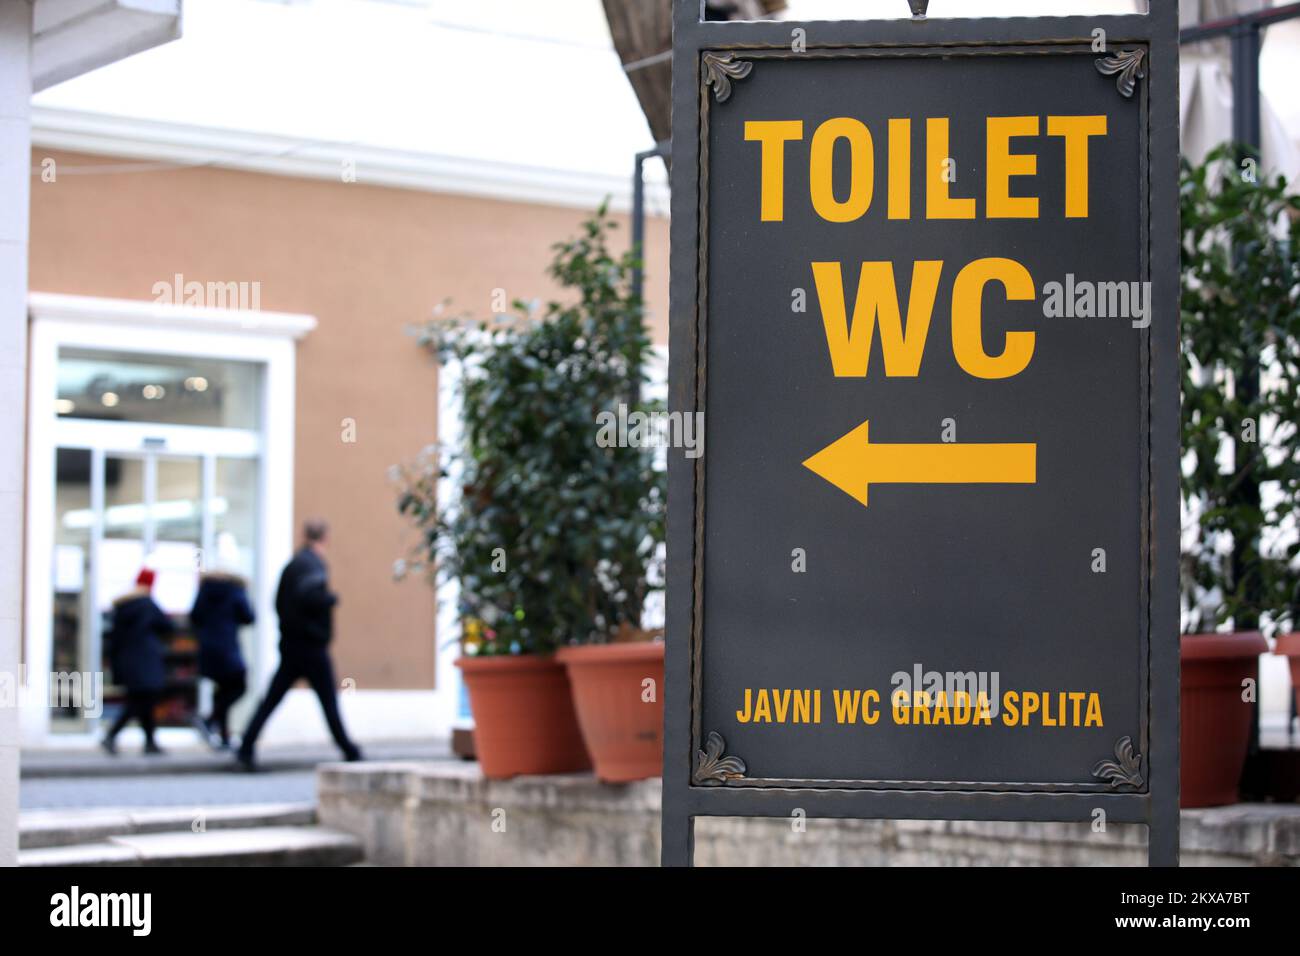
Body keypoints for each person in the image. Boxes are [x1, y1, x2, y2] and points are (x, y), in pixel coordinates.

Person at [236, 519, 362, 770]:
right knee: (327, 701)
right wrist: (328, 600)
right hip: (310, 647)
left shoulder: (293, 565)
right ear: (324, 538)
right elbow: (310, 598)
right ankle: (349, 749)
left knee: (272, 699)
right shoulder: (312, 566)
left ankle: (246, 746)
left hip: (292, 645)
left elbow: (279, 604)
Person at [102, 568, 173, 756]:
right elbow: (166, 626)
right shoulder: (147, 604)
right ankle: (112, 735)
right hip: (145, 659)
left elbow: (114, 638)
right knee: (141, 701)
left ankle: (149, 742)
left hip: (127, 660)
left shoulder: (123, 606)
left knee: (143, 700)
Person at [189, 566, 255, 750]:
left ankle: (223, 736)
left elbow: (195, 617)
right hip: (227, 646)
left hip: (209, 647)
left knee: (225, 689)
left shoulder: (205, 591)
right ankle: (209, 720)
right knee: (238, 687)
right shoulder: (235, 591)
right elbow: (249, 617)